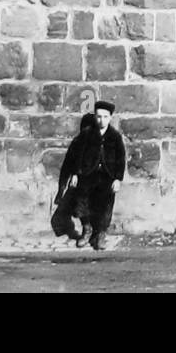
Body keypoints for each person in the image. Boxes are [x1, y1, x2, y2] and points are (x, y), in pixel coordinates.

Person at [63, 99, 126, 250]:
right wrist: (76, 174)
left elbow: (121, 158)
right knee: (82, 203)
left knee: (105, 206)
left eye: (105, 117)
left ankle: (101, 234)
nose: (101, 120)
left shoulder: (115, 136)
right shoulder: (86, 134)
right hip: (87, 175)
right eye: (98, 116)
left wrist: (118, 178)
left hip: (107, 176)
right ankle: (87, 230)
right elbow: (78, 155)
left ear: (110, 118)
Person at [53, 112, 95, 242]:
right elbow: (68, 165)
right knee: (80, 205)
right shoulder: (77, 143)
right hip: (82, 181)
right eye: (86, 128)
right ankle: (87, 229)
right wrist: (62, 188)